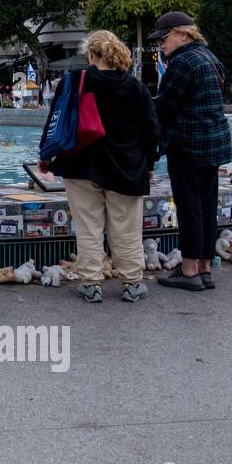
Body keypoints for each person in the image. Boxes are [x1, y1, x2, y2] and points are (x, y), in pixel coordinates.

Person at [38, 30, 159, 303]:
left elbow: (55, 122)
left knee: (88, 226)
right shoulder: (136, 87)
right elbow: (152, 132)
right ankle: (131, 282)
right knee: (126, 228)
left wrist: (45, 157)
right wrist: (149, 164)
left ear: (90, 54)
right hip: (126, 167)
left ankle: (91, 283)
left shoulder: (74, 81)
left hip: (80, 163)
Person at [149, 11, 232, 291]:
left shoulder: (182, 62)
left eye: (164, 37)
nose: (161, 44)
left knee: (189, 207)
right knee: (207, 205)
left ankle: (188, 269)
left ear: (184, 33)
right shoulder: (212, 58)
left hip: (187, 144)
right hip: (214, 143)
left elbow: (164, 106)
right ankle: (205, 267)